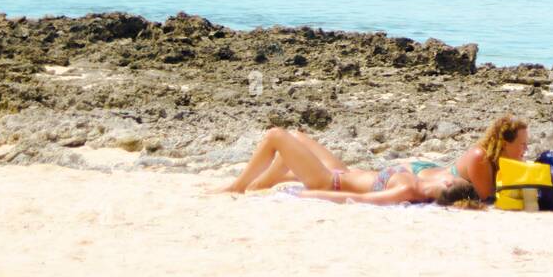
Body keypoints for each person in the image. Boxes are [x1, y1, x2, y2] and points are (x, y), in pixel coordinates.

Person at [212, 114, 529, 207]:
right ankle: (257, 185)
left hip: (329, 180)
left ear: (446, 184)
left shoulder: (410, 191)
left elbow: (354, 198)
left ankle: (236, 188)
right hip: (341, 171)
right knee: (295, 136)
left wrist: (305, 193)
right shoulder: (419, 183)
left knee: (276, 136)